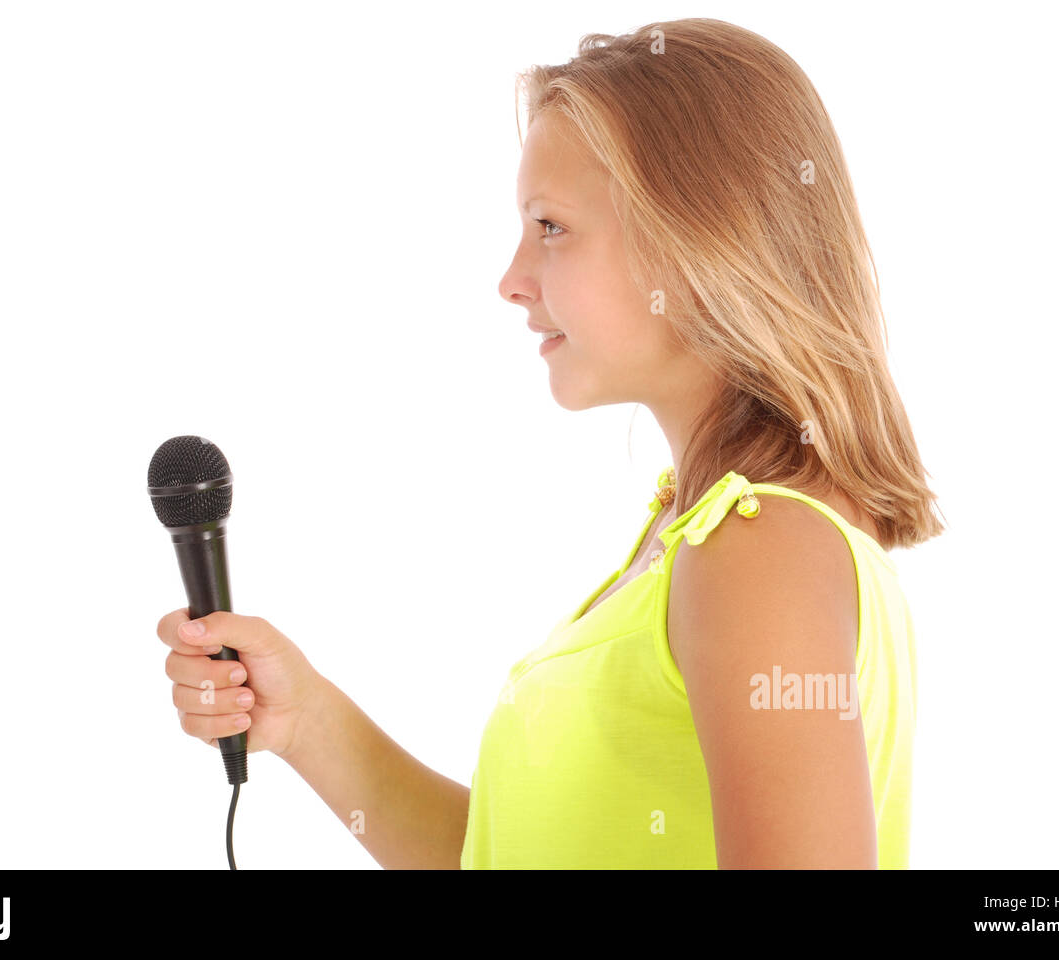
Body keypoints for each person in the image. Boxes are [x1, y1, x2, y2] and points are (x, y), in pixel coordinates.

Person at [160, 17, 944, 869]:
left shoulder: (759, 550)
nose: (512, 278)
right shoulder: (700, 539)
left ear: (696, 242)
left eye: (552, 227)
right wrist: (303, 716)